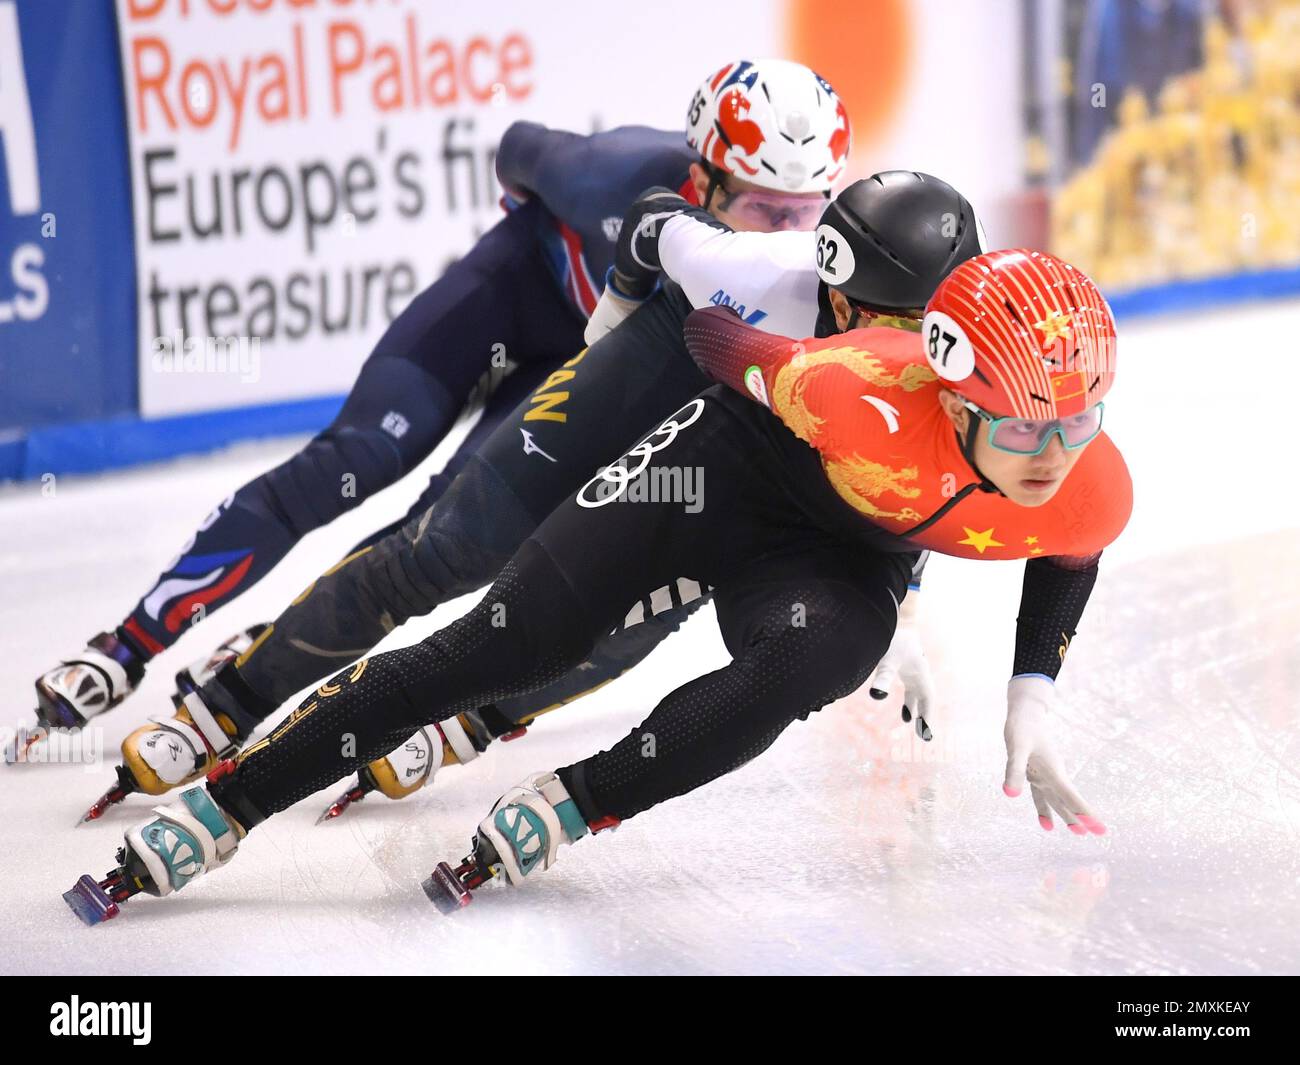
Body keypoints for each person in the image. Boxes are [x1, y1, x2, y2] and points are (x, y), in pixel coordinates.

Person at [67, 249, 1128, 922]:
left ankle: (580, 802)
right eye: (1030, 427)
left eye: (1075, 423)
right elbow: (718, 339)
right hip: (715, 473)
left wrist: (1030, 693)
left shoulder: (1086, 486)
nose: (1053, 455)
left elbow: (1068, 556)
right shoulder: (850, 390)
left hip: (833, 562)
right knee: (497, 648)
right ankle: (230, 804)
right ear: (950, 395)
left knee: (812, 662)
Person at [91, 165, 982, 820]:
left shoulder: (952, 355)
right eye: (762, 204)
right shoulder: (755, 271)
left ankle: (468, 719)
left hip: (741, 442)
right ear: (831, 285)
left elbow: (915, 483)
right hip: (665, 358)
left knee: (641, 606)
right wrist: (611, 327)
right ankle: (232, 705)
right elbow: (649, 220)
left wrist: (891, 606)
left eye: (918, 326)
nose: (892, 348)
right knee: (448, 550)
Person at [28, 58, 845, 749]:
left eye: (807, 212)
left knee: (450, 524)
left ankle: (267, 648)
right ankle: (127, 644)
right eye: (767, 211)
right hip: (508, 296)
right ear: (699, 177)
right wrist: (524, 231)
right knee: (357, 459)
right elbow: (517, 148)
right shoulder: (613, 173)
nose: (787, 233)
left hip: (582, 360)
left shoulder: (808, 266)